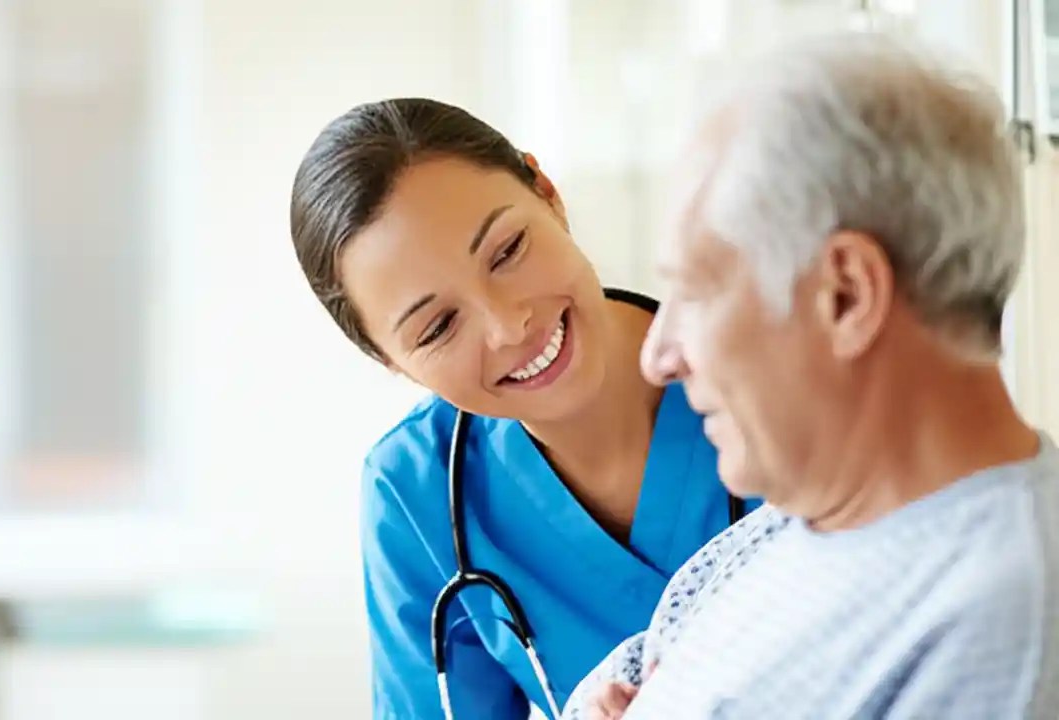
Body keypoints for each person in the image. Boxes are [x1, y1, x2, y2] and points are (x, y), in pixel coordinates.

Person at [564, 31, 1059, 719]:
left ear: (846, 295)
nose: (659, 355)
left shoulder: (998, 634)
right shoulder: (775, 533)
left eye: (697, 292)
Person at [289, 98, 761, 718]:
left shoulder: (766, 361)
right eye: (437, 328)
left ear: (546, 193)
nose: (508, 326)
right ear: (390, 362)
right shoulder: (417, 492)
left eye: (507, 252)